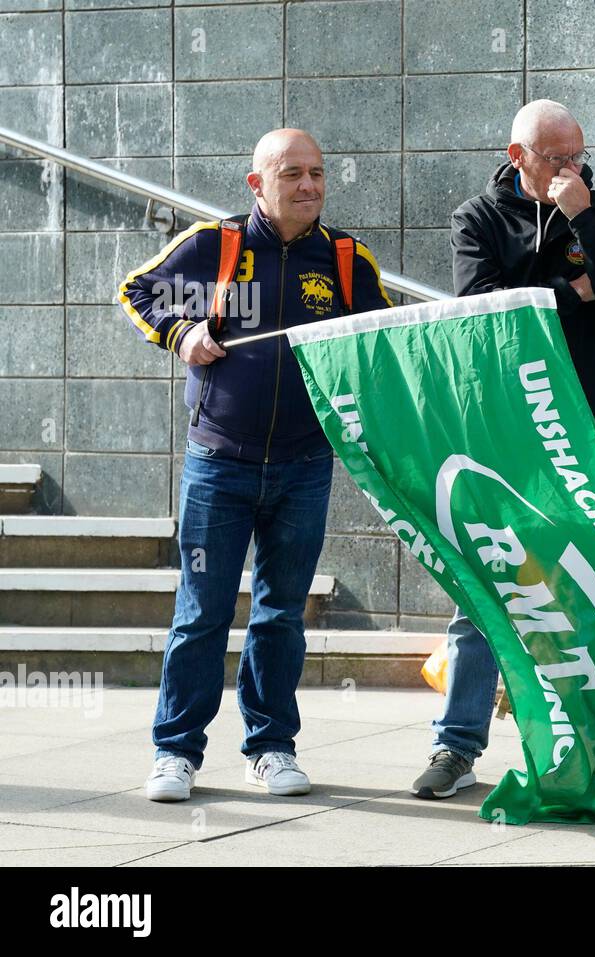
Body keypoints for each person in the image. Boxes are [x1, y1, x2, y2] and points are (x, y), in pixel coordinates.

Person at [120, 128, 393, 802]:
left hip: (305, 467)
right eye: (292, 173)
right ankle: (175, 752)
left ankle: (271, 747)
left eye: (318, 174)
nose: (308, 186)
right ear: (257, 184)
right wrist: (182, 333)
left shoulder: (349, 260)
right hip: (219, 464)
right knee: (202, 613)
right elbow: (137, 291)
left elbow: (384, 342)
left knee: (280, 615)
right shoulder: (215, 246)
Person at [411, 99, 595, 800]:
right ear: (518, 156)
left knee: (589, 582)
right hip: (502, 432)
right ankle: (457, 746)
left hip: (586, 426)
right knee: (482, 588)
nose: (571, 168)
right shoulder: (478, 218)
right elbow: (485, 311)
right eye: (556, 158)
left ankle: (594, 743)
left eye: (579, 154)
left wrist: (580, 218)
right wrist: (576, 290)